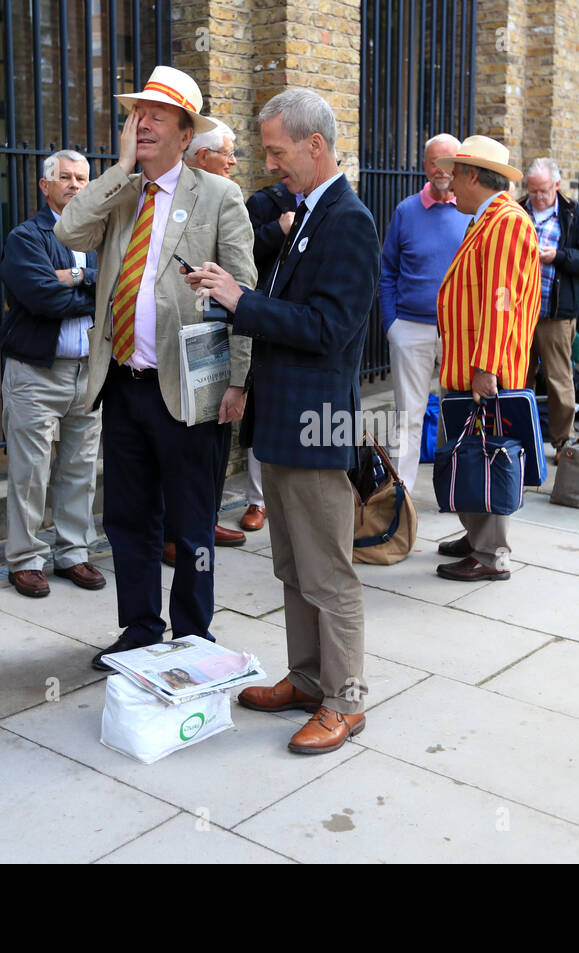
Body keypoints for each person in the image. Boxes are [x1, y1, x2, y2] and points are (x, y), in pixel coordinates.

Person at [185, 89, 379, 755]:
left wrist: (244, 301)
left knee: (327, 571)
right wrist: (232, 290)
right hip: (287, 422)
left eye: (275, 151)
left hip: (318, 425)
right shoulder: (309, 214)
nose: (269, 164)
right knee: (294, 568)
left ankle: (345, 700)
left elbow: (331, 328)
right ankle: (305, 677)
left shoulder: (348, 220)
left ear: (314, 146)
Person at [53, 66, 257, 671]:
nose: (141, 123)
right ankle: (141, 627)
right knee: (127, 518)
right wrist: (120, 171)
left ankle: (193, 636)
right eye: (136, 114)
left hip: (191, 391)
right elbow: (69, 229)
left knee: (193, 524)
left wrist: (241, 381)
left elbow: (243, 292)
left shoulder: (219, 197)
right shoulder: (122, 195)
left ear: (186, 131)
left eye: (156, 115)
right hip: (123, 384)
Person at [431, 135, 541, 581]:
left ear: (473, 175)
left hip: (484, 370)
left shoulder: (505, 222)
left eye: (455, 173)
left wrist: (486, 367)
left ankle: (491, 554)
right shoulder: (488, 218)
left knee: (489, 453)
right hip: (471, 365)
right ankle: (475, 532)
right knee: (472, 450)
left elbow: (503, 302)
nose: (449, 182)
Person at [0, 150, 106, 599]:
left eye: (83, 178)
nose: (76, 185)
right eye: (65, 177)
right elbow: (42, 298)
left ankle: (73, 553)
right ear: (45, 186)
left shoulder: (104, 233)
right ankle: (25, 559)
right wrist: (93, 287)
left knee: (81, 468)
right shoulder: (26, 237)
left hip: (90, 371)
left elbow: (122, 288)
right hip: (36, 375)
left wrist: (75, 277)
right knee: (30, 471)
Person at [172, 116, 248, 558]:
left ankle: (201, 523)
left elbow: (242, 283)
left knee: (206, 448)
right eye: (227, 153)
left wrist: (241, 375)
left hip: (207, 346)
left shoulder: (227, 197)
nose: (235, 161)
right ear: (202, 156)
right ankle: (179, 531)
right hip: (160, 351)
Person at [378, 133, 468, 492]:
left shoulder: (473, 211)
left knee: (459, 414)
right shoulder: (406, 211)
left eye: (447, 162)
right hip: (410, 328)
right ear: (425, 165)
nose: (440, 169)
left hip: (457, 332)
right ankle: (400, 496)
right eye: (433, 161)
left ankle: (460, 490)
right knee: (408, 417)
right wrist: (391, 326)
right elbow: (388, 272)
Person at [520, 156, 579, 451]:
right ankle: (520, 441)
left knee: (558, 380)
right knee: (518, 379)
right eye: (532, 191)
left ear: (556, 185)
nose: (538, 197)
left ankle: (563, 442)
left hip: (555, 313)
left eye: (543, 191)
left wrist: (559, 256)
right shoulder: (517, 210)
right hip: (519, 312)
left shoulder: (574, 213)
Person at [239, 179, 305, 532]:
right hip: (267, 314)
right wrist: (276, 230)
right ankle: (257, 499)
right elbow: (242, 253)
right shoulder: (265, 201)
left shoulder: (334, 205)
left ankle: (292, 499)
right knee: (261, 406)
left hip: (305, 318)